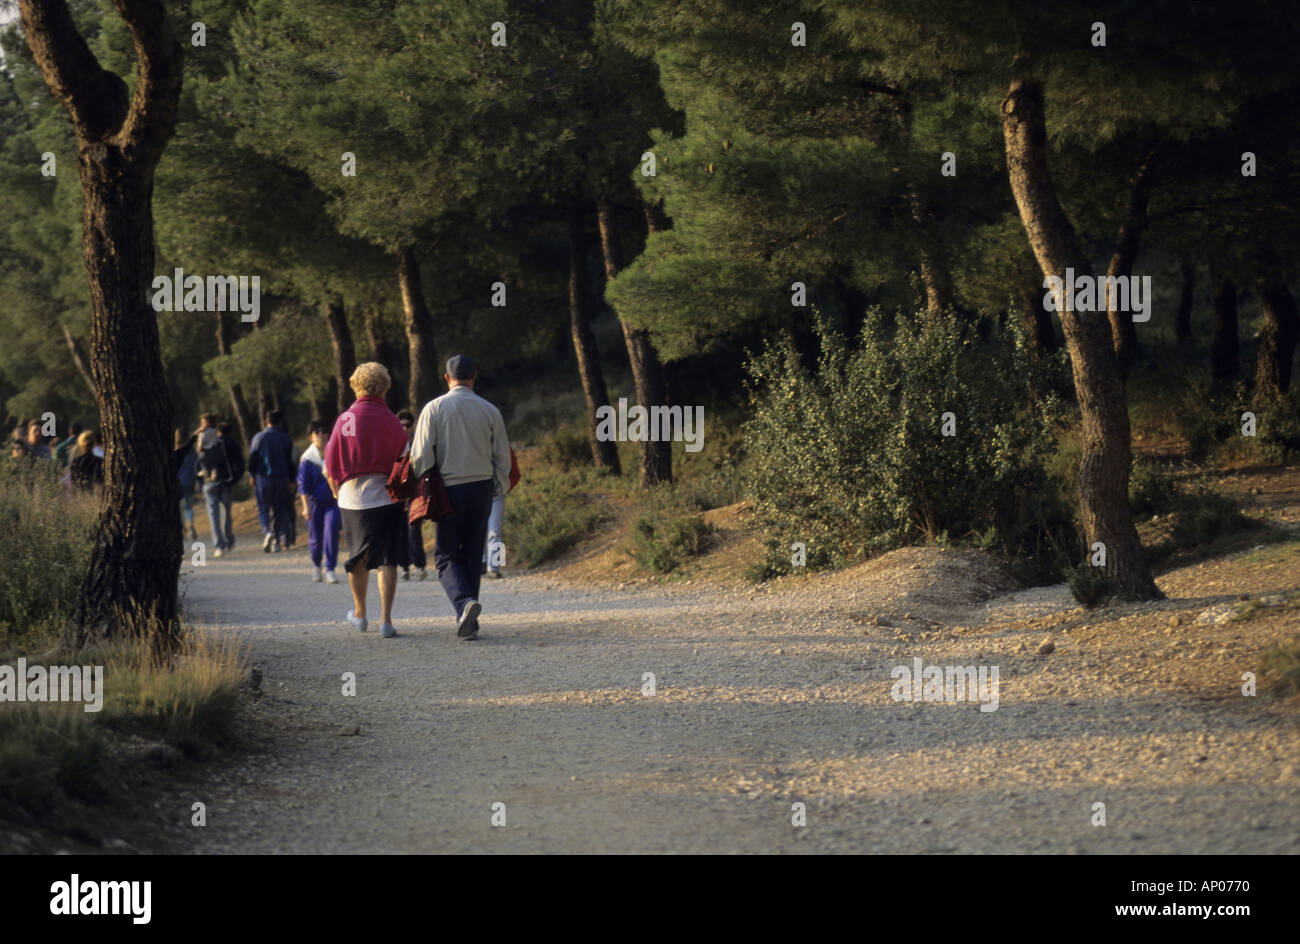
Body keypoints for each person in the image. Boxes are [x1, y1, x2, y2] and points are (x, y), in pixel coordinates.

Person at [410, 354, 511, 641]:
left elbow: (420, 456)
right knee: (471, 553)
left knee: (445, 555)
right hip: (481, 489)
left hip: (448, 489)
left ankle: (464, 604)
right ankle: (468, 622)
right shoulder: (490, 410)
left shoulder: (434, 408)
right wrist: (498, 486)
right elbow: (502, 456)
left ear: (447, 378)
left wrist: (420, 486)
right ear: (474, 377)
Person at [324, 363, 408, 639]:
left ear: (355, 385)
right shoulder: (392, 421)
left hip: (353, 497)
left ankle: (360, 614)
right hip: (386, 496)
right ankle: (386, 620)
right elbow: (404, 458)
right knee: (388, 559)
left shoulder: (346, 420)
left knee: (357, 558)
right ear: (384, 386)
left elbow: (331, 460)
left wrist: (336, 487)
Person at [298, 420, 341, 584]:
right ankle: (316, 566)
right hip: (314, 503)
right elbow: (303, 486)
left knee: (331, 533)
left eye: (323, 431)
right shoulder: (307, 459)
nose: (321, 435)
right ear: (311, 437)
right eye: (317, 432)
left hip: (333, 502)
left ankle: (330, 569)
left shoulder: (335, 454)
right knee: (315, 537)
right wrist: (305, 507)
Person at [248, 409, 295, 552]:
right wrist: (292, 479)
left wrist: (252, 474)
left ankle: (267, 531)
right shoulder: (285, 438)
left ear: (266, 421)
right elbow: (290, 461)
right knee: (278, 510)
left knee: (263, 507)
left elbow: (253, 458)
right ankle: (277, 541)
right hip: (281, 478)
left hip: (263, 477)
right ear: (279, 422)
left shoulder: (259, 437)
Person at [197, 415, 238, 556]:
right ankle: (229, 540)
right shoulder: (222, 441)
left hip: (209, 482)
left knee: (213, 515)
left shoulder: (202, 437)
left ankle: (219, 545)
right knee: (226, 513)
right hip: (224, 481)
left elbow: (198, 459)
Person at [395, 409, 428, 582]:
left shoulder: (418, 442)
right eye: (401, 425)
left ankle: (420, 564)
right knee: (401, 530)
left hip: (416, 491)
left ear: (413, 425)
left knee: (413, 527)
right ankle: (405, 566)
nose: (405, 428)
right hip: (399, 493)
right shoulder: (393, 442)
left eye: (408, 425)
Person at [483, 446, 521, 579]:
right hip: (476, 495)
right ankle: (481, 563)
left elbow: (515, 473)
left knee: (495, 532)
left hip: (497, 495)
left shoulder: (504, 447)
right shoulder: (473, 444)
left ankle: (494, 567)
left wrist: (504, 488)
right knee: (477, 530)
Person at [176, 428, 200, 543]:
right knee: (188, 506)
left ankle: (181, 529)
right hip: (190, 481)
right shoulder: (193, 453)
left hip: (177, 483)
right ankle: (190, 523)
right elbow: (196, 466)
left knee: (179, 508)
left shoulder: (176, 451)